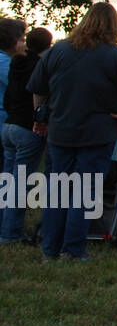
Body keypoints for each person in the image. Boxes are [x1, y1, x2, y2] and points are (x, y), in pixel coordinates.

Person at [27, 2, 117, 261]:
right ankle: (73, 249)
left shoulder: (57, 51)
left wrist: (41, 115)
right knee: (83, 194)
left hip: (60, 133)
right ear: (114, 26)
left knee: (58, 192)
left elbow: (38, 88)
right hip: (98, 134)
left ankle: (50, 249)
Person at [1, 26, 54, 244]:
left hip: (9, 126)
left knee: (7, 180)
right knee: (22, 184)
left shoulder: (15, 63)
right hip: (26, 128)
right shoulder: (39, 68)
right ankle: (11, 232)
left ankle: (5, 225)